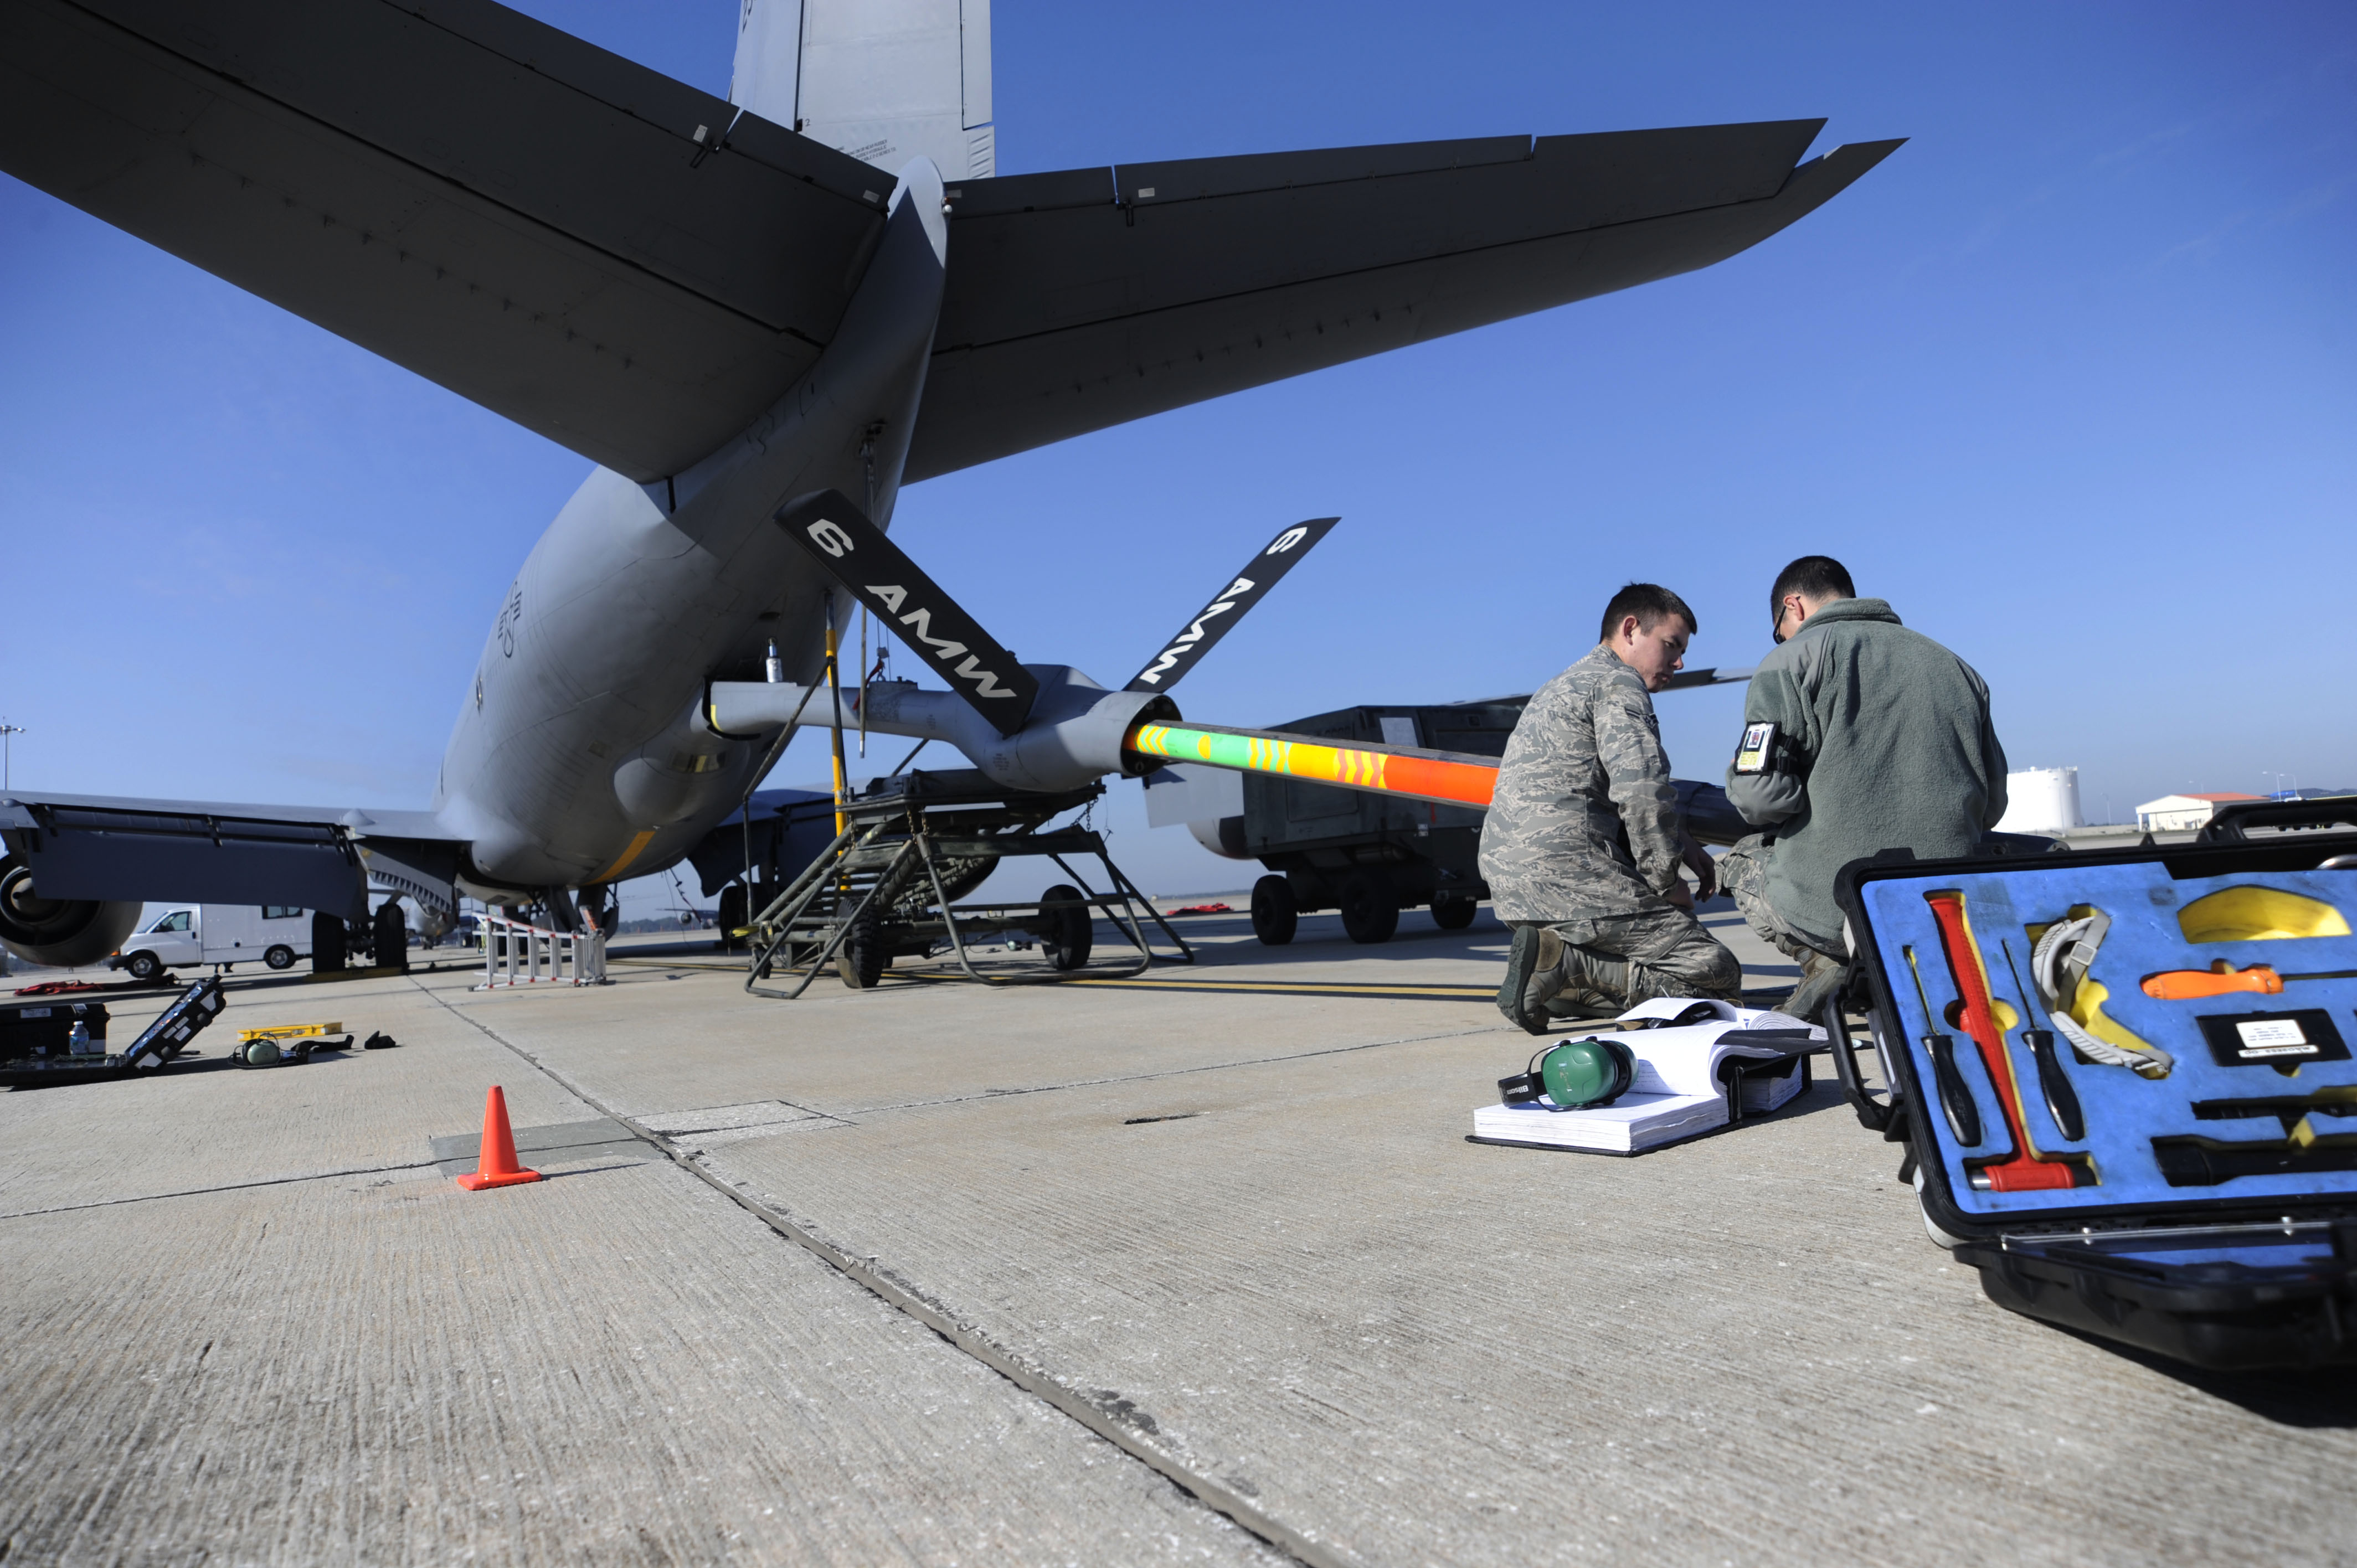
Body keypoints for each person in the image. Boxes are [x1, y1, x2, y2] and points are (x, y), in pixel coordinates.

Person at [1717, 555, 2009, 1019]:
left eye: (1779, 628)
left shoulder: (1788, 662)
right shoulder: (1956, 666)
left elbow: (1760, 799)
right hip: (1944, 903)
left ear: (1793, 606)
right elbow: (1992, 806)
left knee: (1739, 860)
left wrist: (1742, 775)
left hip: (1838, 905)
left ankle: (1831, 957)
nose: (1781, 638)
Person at [1483, 583, 1739, 1033]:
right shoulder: (1619, 682)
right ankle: (1568, 968)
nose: (1679, 662)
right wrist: (1666, 881)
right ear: (1630, 629)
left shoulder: (1561, 685)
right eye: (1671, 646)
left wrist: (1681, 839)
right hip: (1572, 876)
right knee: (1716, 974)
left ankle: (1560, 979)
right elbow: (1641, 788)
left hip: (1510, 885)